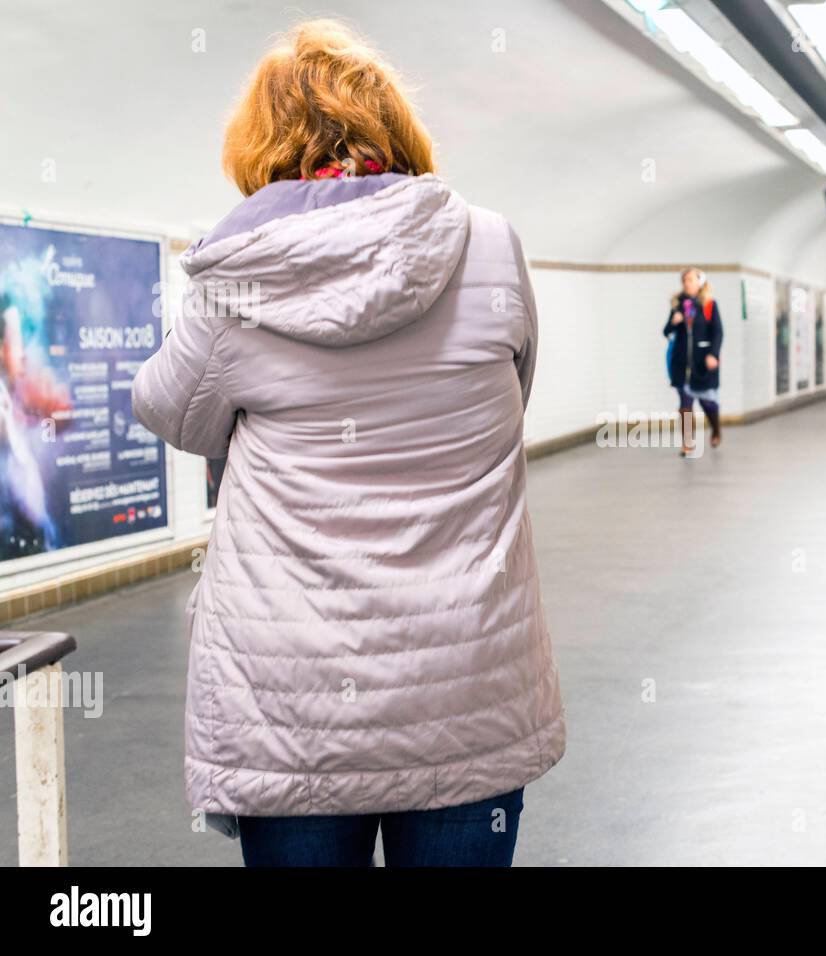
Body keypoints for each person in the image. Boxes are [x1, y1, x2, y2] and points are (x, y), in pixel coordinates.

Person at [131, 19, 565, 867]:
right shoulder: (491, 244)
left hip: (291, 709)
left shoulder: (238, 278)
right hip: (463, 688)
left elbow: (171, 412)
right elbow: (513, 396)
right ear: (396, 129)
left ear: (263, 144)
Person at [664, 267, 723, 454]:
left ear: (700, 282)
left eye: (690, 280)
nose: (686, 283)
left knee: (708, 403)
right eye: (684, 280)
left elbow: (718, 332)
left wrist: (713, 354)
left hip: (702, 362)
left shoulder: (709, 305)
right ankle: (688, 443)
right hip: (682, 364)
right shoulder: (677, 305)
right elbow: (666, 331)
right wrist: (674, 322)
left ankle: (716, 429)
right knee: (685, 403)